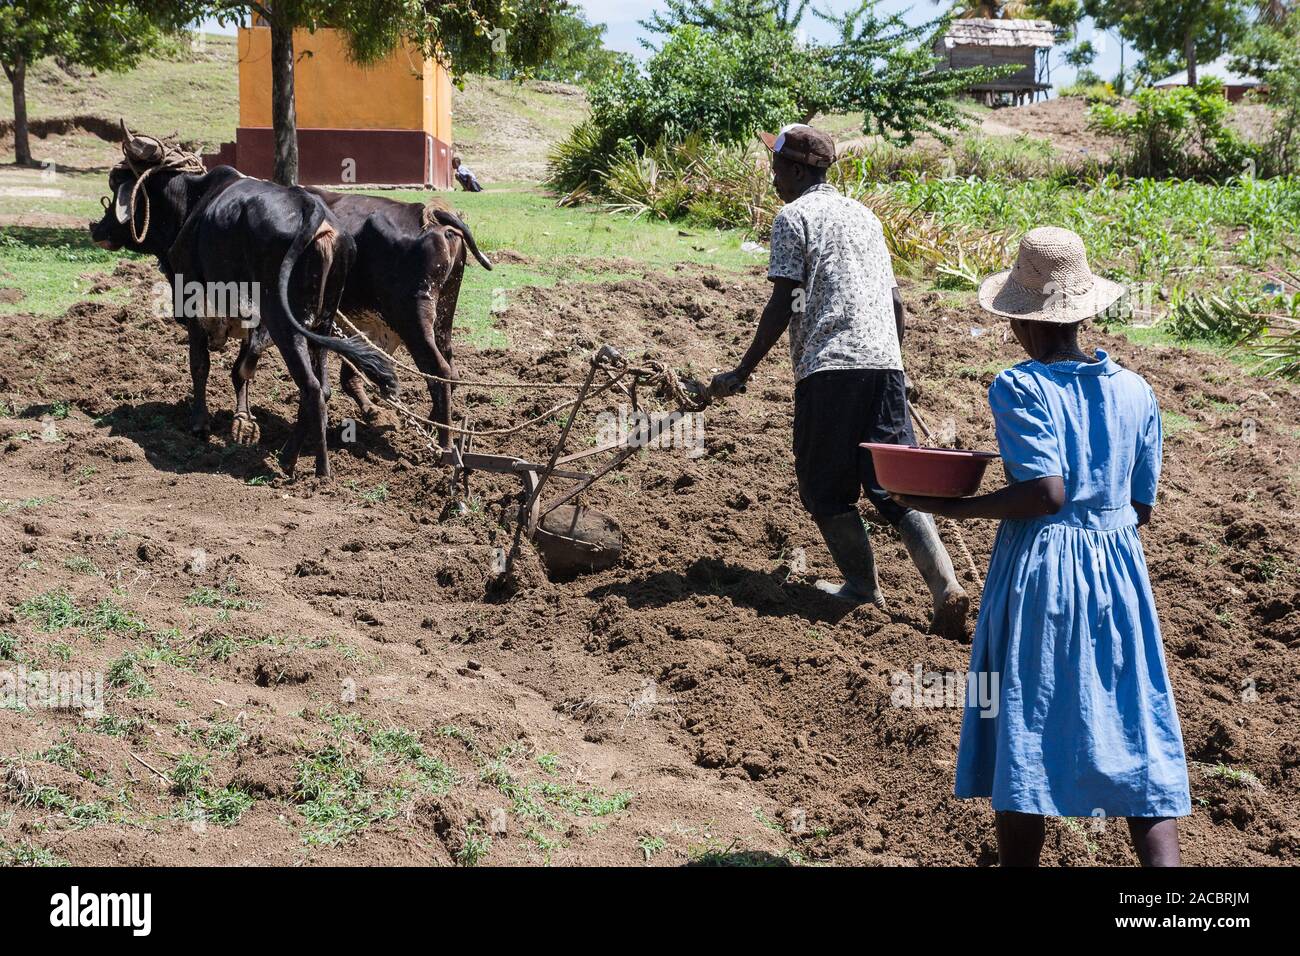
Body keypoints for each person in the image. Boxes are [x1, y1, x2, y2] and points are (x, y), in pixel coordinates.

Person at [891, 227, 1191, 866]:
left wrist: (954, 507)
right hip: (1119, 574)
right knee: (1132, 718)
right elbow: (1139, 506)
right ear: (1082, 313)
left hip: (1041, 572)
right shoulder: (1138, 391)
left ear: (1023, 324)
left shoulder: (1019, 387)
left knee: (1024, 715)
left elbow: (1047, 493)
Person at [710, 123, 968, 639]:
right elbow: (895, 302)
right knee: (898, 485)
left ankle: (860, 586)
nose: (772, 172)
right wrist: (897, 363)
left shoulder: (793, 216)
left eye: (778, 164)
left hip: (829, 367)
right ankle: (945, 588)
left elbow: (783, 302)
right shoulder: (865, 216)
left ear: (801, 170)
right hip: (883, 365)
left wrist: (742, 370)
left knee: (824, 490)